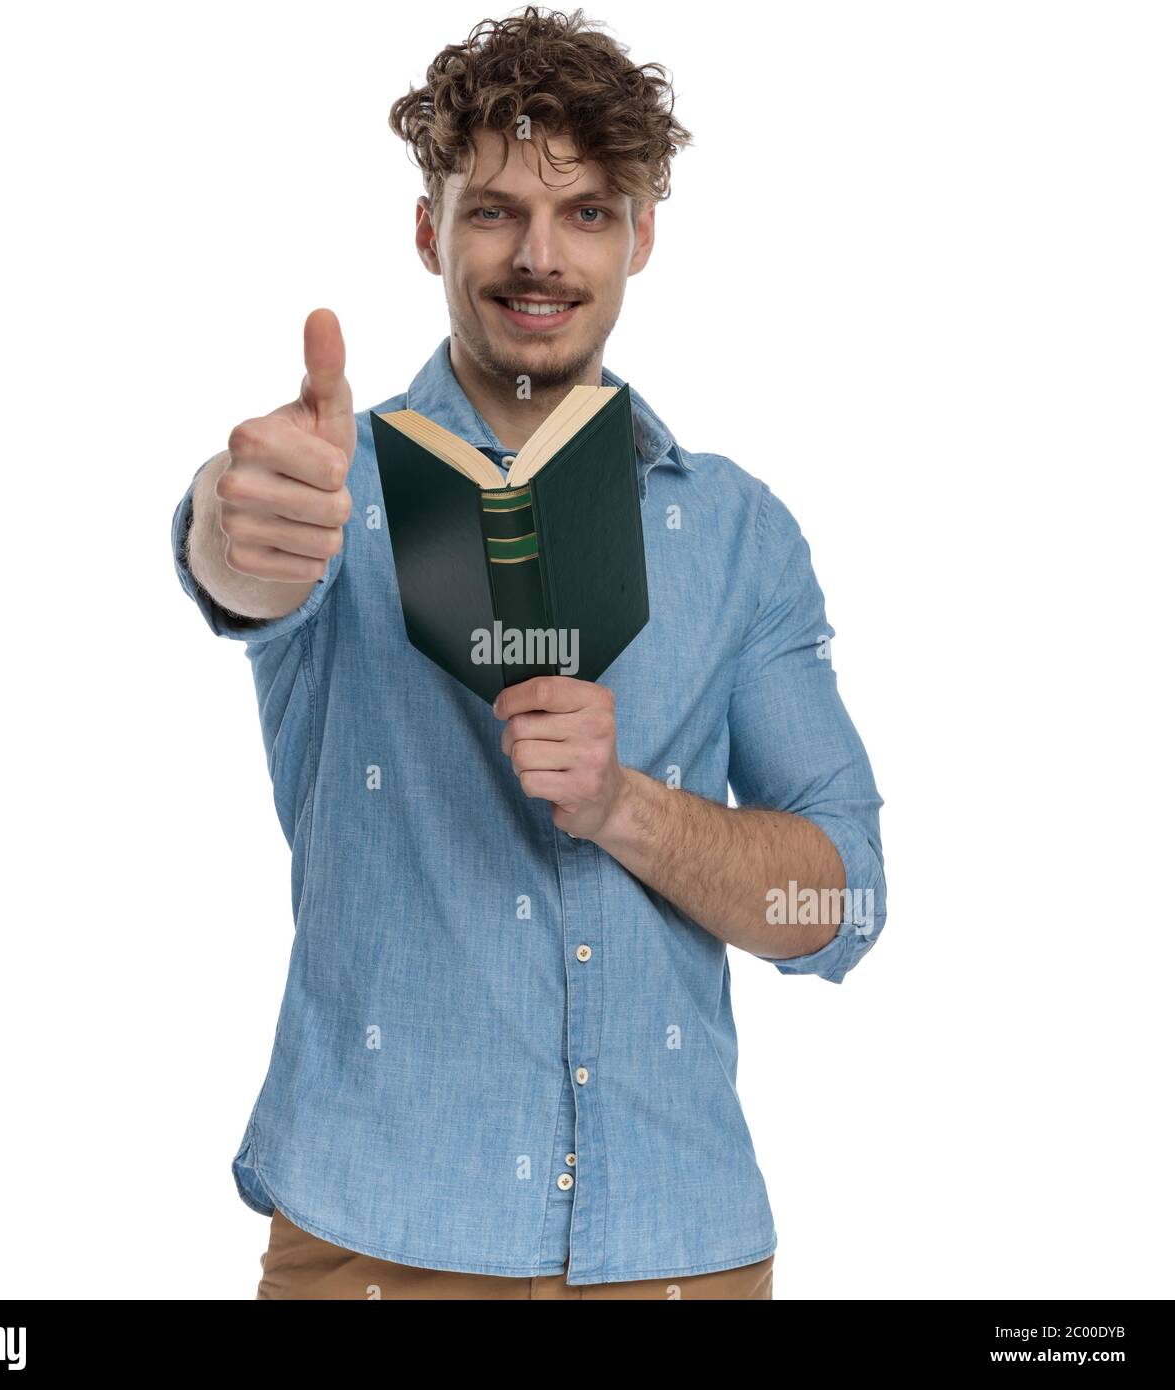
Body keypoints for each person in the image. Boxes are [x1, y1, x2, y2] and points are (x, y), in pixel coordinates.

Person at [170, 5, 886, 1301]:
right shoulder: (334, 486)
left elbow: (831, 911)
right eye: (495, 209)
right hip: (376, 1239)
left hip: (683, 1252)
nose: (539, 256)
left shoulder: (736, 530)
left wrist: (629, 809)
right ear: (429, 227)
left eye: (589, 212)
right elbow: (237, 560)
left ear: (643, 235)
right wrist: (238, 517)